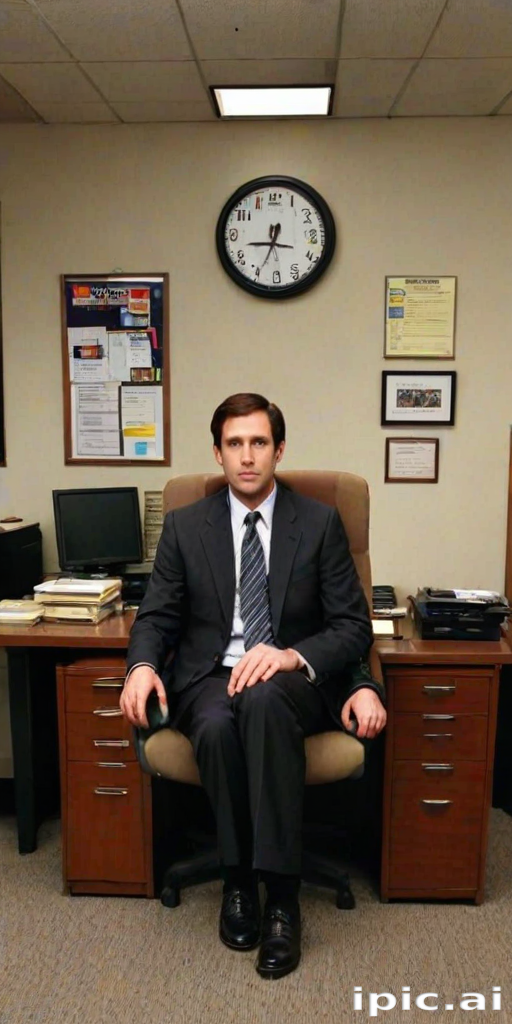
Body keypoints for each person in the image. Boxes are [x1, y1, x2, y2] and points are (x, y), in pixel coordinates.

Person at [121, 392, 386, 980]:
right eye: (235, 444)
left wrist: (291, 654)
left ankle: (282, 899)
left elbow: (351, 625)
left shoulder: (317, 524)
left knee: (263, 697)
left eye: (259, 443)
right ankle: (238, 883)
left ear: (279, 451)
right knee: (216, 723)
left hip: (291, 679)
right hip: (209, 677)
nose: (247, 456)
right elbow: (157, 616)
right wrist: (140, 667)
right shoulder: (187, 527)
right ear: (218, 453)